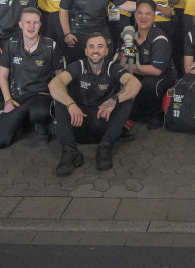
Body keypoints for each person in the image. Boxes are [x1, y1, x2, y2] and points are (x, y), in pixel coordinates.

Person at [49, 33, 141, 175]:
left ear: (106, 51)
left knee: (128, 97)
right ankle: (70, 151)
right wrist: (71, 104)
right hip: (79, 122)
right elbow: (54, 84)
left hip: (104, 123)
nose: (95, 50)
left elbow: (135, 83)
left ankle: (105, 147)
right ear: (86, 51)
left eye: (100, 46)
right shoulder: (77, 66)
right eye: (91, 47)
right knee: (59, 97)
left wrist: (114, 100)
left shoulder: (112, 68)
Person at [0, 7, 62, 148]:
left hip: (41, 95)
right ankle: (22, 121)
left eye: (35, 22)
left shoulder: (51, 46)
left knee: (39, 111)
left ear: (40, 25)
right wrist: (8, 100)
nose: (32, 26)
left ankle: (42, 125)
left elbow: (60, 76)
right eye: (28, 22)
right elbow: (2, 75)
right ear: (21, 25)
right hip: (18, 97)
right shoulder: (11, 45)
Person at [125, 0, 176, 129]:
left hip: (163, 76)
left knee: (150, 83)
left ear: (153, 16)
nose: (143, 17)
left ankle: (157, 113)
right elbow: (121, 59)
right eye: (140, 13)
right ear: (135, 15)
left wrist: (128, 67)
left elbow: (156, 70)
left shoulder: (160, 38)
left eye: (147, 14)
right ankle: (137, 111)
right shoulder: (130, 34)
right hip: (141, 72)